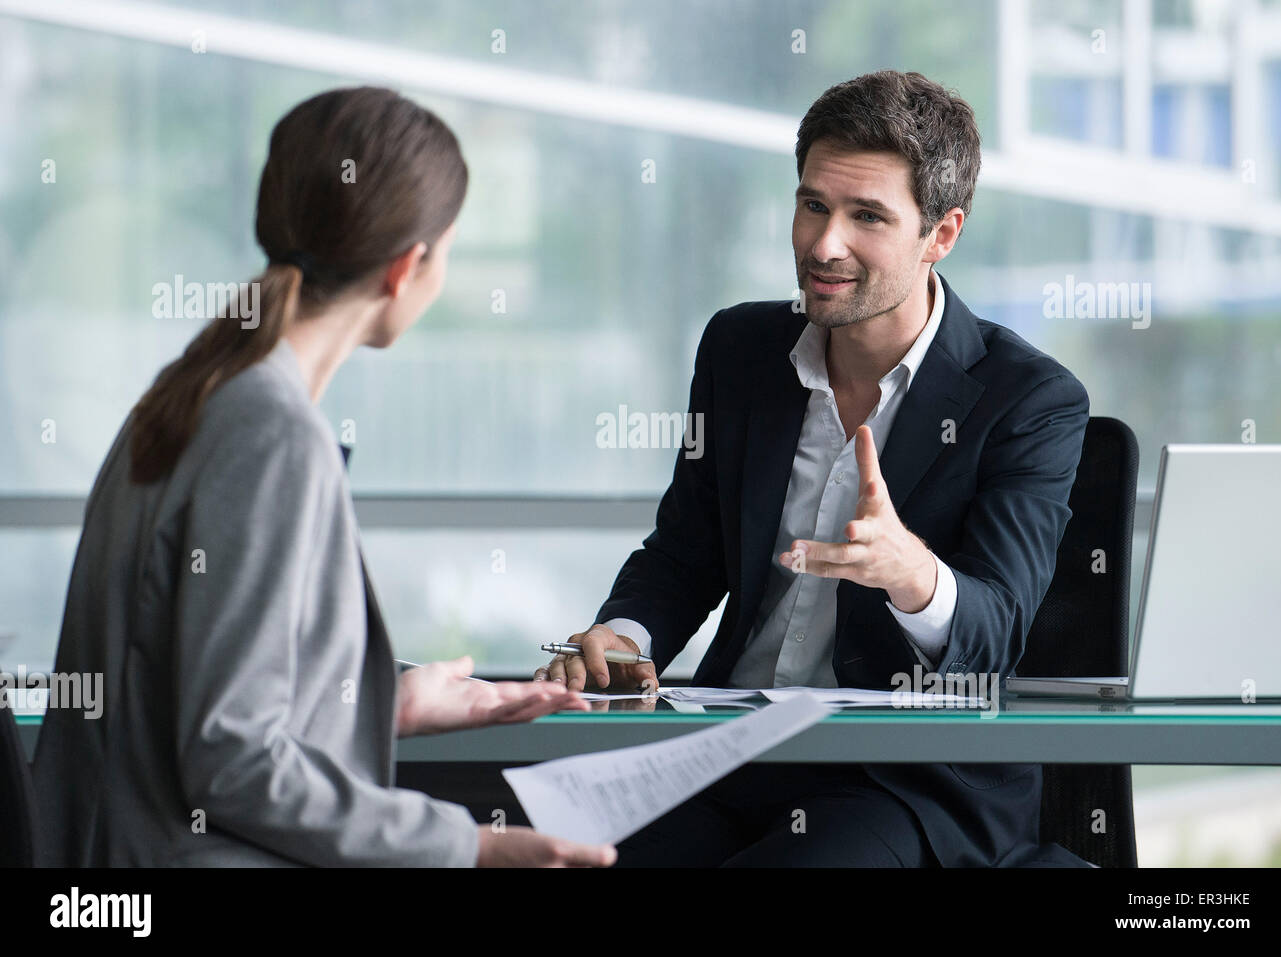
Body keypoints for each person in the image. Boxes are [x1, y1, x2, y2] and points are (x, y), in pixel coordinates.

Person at [33, 86, 614, 868]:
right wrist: (467, 845)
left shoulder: (195, 391)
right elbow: (231, 761)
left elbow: (196, 682)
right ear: (408, 266)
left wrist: (378, 699)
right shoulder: (272, 432)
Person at [537, 70, 1091, 867]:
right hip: (730, 751)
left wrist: (913, 574)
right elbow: (685, 552)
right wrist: (624, 636)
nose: (825, 244)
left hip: (904, 780)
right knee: (561, 850)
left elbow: (994, 633)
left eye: (867, 216)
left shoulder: (1029, 399)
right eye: (813, 205)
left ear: (942, 234)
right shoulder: (739, 349)